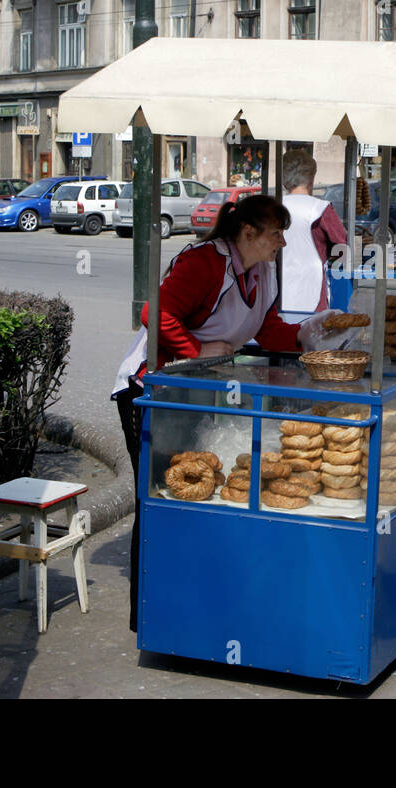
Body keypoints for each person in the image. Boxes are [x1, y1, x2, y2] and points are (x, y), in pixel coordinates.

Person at [110, 194, 333, 631]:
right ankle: (151, 612)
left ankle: (197, 602)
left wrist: (312, 338)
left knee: (203, 489)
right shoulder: (205, 262)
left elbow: (267, 328)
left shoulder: (263, 272)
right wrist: (196, 349)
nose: (283, 243)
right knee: (156, 498)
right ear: (247, 233)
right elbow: (154, 313)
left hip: (200, 392)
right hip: (152, 390)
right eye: (276, 234)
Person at [278, 148, 347, 320]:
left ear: (284, 181)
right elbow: (342, 248)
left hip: (276, 288)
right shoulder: (321, 209)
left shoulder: (273, 207)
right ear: (311, 179)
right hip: (312, 289)